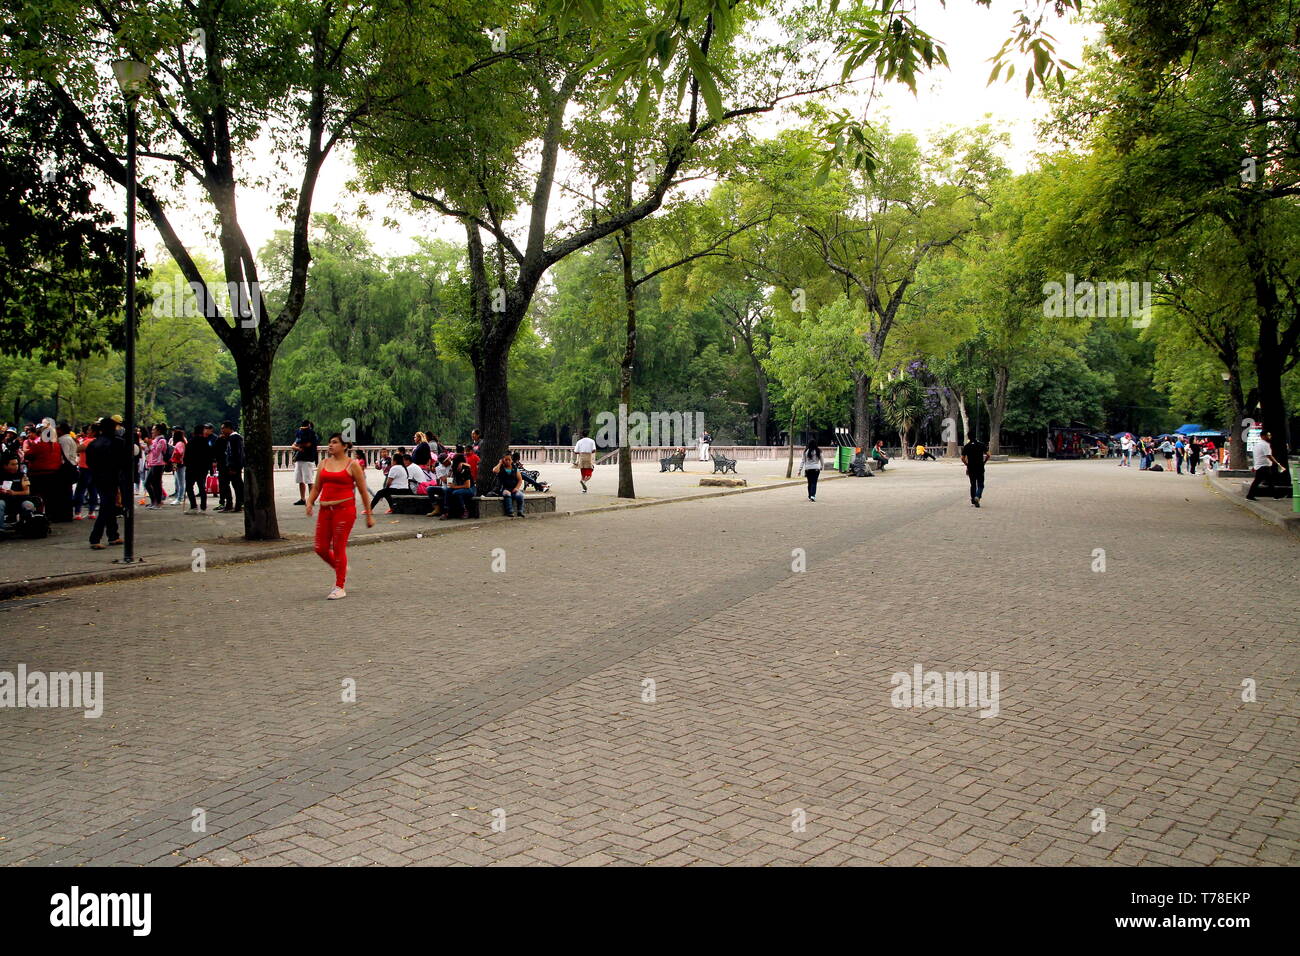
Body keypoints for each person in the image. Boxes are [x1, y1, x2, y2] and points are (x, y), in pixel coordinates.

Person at [305, 433, 374, 599]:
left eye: (335, 442)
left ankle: (339, 586)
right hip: (325, 510)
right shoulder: (323, 463)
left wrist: (369, 515)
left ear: (344, 446)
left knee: (338, 546)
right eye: (329, 442)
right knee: (320, 548)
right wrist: (310, 502)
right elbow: (316, 487)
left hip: (344, 510)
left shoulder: (352, 465)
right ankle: (340, 566)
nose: (330, 445)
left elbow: (363, 491)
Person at [86, 417, 126, 549]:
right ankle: (95, 537)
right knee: (107, 506)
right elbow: (123, 462)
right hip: (112, 476)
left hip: (98, 477)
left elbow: (89, 462)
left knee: (108, 504)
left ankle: (113, 534)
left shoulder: (93, 444)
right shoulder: (118, 443)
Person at [1245, 429, 1286, 501]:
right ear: (1263, 436)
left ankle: (1276, 495)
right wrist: (1278, 464)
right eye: (1268, 435)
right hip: (1264, 466)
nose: (1269, 437)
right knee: (1260, 481)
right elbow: (1269, 456)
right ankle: (1250, 496)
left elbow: (1256, 456)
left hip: (1260, 466)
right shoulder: (1265, 445)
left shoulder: (1257, 445)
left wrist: (1255, 466)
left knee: (1268, 481)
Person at [215, 421, 244, 512]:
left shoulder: (234, 439)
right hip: (232, 466)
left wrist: (233, 467)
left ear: (229, 428)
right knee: (229, 485)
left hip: (233, 467)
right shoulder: (232, 438)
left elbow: (235, 454)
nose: (222, 430)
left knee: (236, 486)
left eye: (223, 428)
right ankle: (231, 504)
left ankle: (237, 505)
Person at [73, 423, 99, 521]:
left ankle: (78, 512)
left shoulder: (88, 441)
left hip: (85, 468)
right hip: (95, 468)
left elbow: (77, 449)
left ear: (93, 432)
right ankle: (91, 511)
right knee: (93, 490)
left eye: (89, 430)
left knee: (80, 490)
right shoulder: (98, 441)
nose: (87, 432)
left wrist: (76, 441)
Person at [185, 424, 214, 512]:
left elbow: (186, 456)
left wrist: (186, 464)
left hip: (191, 467)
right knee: (201, 487)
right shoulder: (206, 442)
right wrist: (210, 469)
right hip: (203, 468)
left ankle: (193, 506)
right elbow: (209, 456)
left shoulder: (191, 442)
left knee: (189, 487)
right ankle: (203, 506)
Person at [291, 420, 319, 505]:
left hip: (308, 459)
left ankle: (311, 499)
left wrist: (298, 446)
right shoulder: (300, 434)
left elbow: (308, 444)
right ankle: (302, 499)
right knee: (300, 480)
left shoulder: (312, 435)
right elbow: (293, 445)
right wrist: (298, 448)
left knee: (309, 480)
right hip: (299, 459)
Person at [441, 453, 475, 519]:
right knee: (447, 490)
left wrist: (454, 487)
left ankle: (465, 510)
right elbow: (448, 479)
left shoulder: (465, 469)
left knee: (456, 492)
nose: (453, 462)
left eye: (454, 460)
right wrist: (450, 474)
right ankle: (447, 511)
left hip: (470, 489)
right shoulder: (454, 468)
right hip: (460, 487)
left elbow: (467, 485)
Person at [144, 423, 169, 509]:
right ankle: (154, 501)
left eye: (154, 429)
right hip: (153, 464)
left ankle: (158, 502)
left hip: (159, 464)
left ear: (158, 431)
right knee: (147, 483)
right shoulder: (154, 440)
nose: (152, 431)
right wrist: (147, 444)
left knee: (156, 484)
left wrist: (149, 444)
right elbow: (148, 450)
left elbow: (155, 453)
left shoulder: (162, 441)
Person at [961, 436, 990, 507]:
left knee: (973, 484)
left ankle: (973, 500)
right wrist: (984, 462)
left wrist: (967, 465)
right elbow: (988, 455)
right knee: (980, 484)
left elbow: (962, 458)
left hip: (971, 468)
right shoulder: (981, 444)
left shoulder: (966, 446)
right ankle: (977, 496)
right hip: (980, 467)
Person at [168, 427, 187, 504]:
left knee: (180, 481)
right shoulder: (182, 443)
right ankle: (179, 497)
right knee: (178, 480)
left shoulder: (179, 443)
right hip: (179, 463)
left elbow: (179, 452)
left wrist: (173, 449)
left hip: (178, 463)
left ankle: (179, 498)